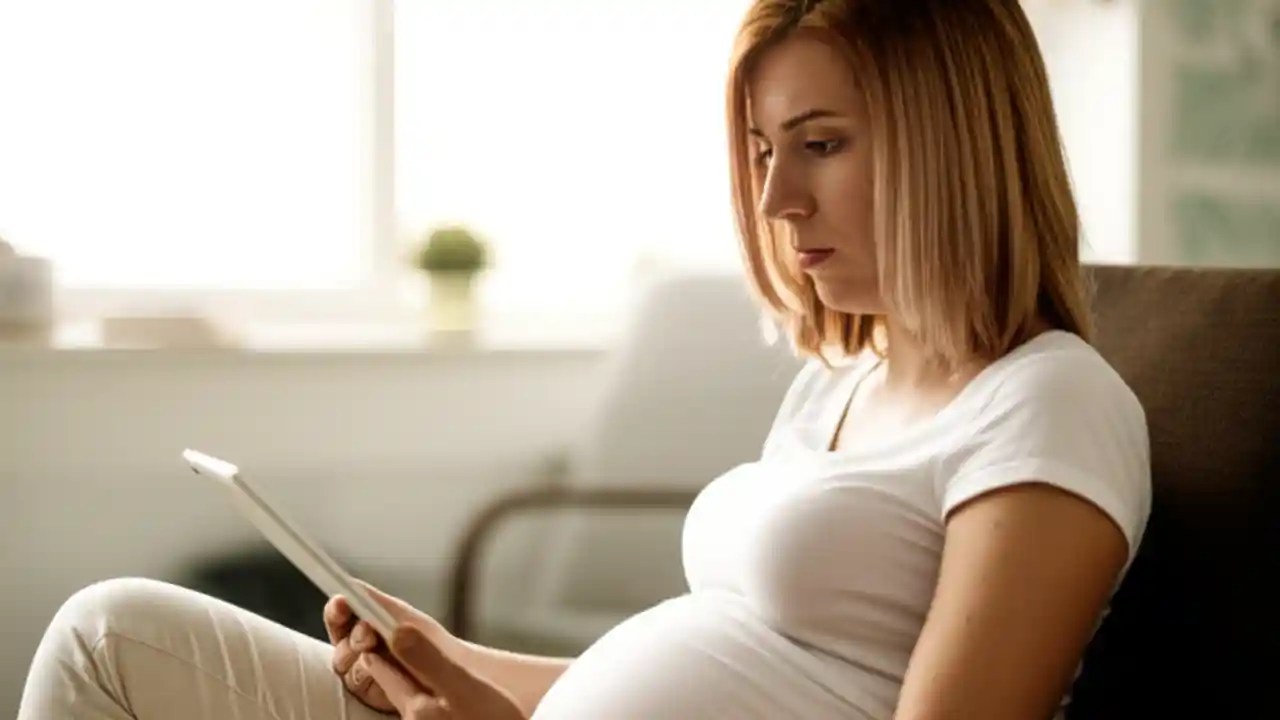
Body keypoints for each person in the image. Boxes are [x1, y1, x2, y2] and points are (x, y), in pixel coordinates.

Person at [17, 0, 1151, 718]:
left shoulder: (1047, 407)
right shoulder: (838, 386)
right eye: (761, 151)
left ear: (954, 140)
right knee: (113, 632)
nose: (770, 198)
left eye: (819, 145)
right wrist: (448, 662)